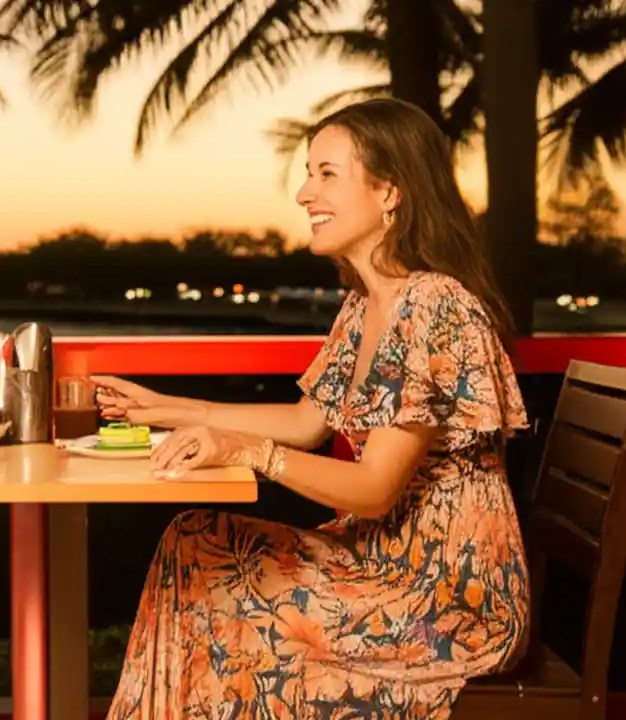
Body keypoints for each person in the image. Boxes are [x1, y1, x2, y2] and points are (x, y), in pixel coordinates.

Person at [97, 98, 530, 719]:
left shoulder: (438, 308)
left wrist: (245, 450)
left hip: (446, 599)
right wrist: (162, 407)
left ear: (391, 191)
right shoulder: (365, 305)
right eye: (308, 172)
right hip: (377, 560)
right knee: (190, 543)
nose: (304, 193)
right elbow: (306, 421)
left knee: (225, 604)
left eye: (327, 173)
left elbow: (375, 489)